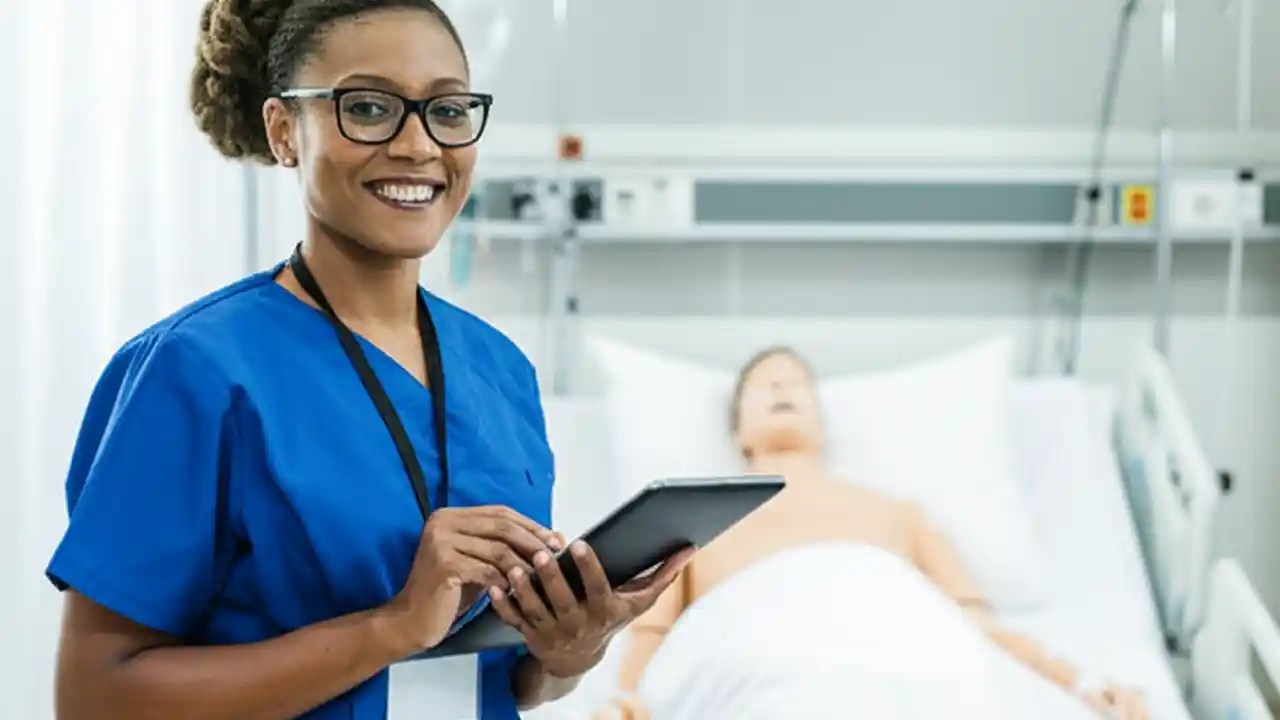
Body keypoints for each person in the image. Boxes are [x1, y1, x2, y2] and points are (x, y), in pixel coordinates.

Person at [45, 2, 691, 718]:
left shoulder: (501, 371)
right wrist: (390, 628)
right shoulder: (194, 372)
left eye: (446, 110)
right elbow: (93, 698)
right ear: (284, 131)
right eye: (371, 107)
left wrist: (567, 656)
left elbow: (499, 678)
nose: (418, 145)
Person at [599, 346, 1149, 720]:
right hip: (755, 650)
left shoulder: (900, 513)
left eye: (797, 384)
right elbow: (651, 634)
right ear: (739, 429)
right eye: (765, 385)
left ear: (822, 423)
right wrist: (625, 701)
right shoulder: (694, 520)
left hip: (901, 637)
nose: (784, 386)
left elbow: (978, 632)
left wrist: (1079, 683)